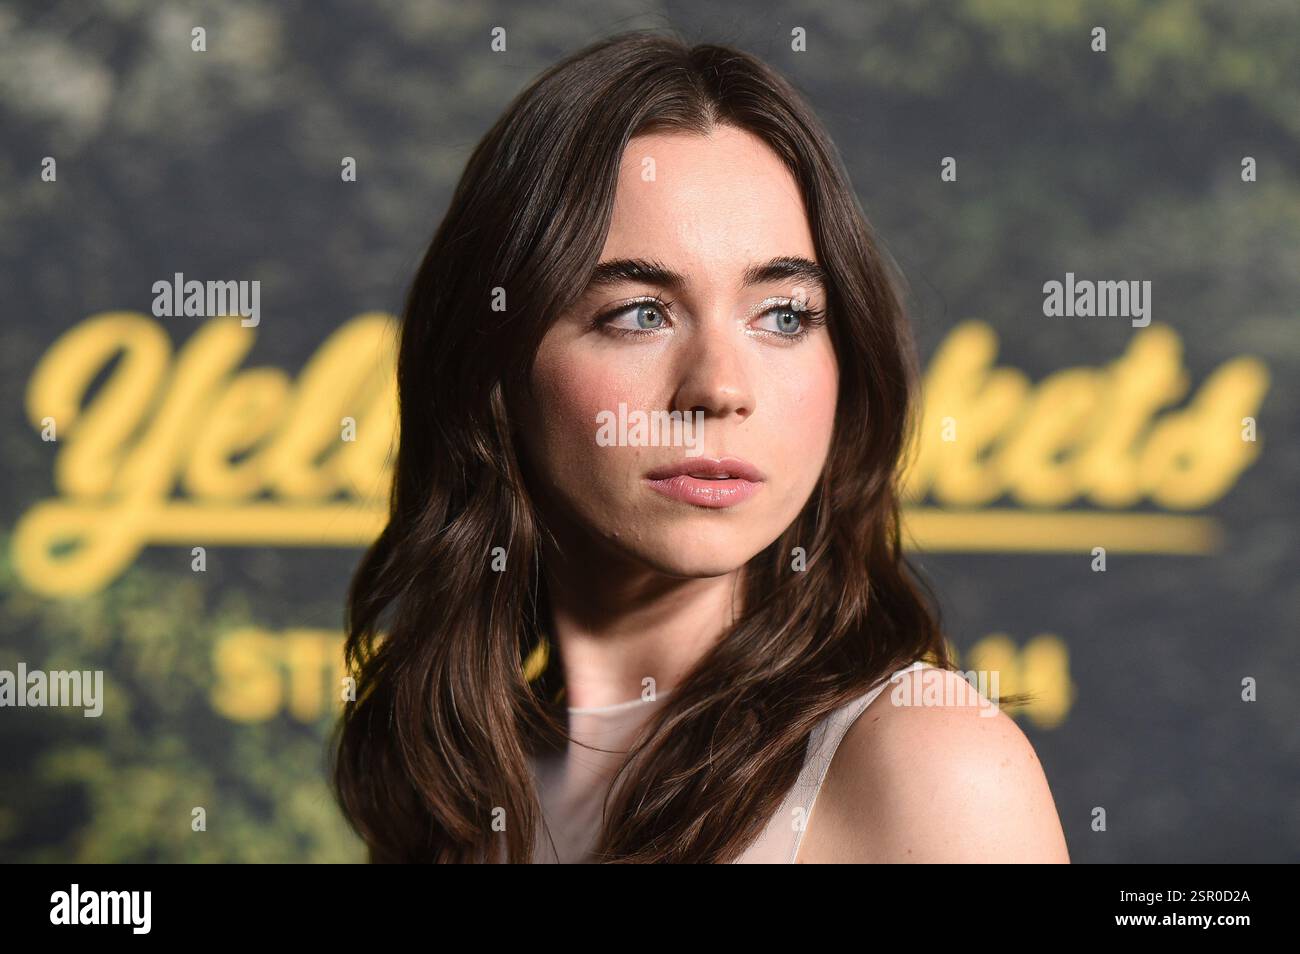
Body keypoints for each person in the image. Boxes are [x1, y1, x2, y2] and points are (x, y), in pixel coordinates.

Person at [330, 28, 1070, 864]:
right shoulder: (462, 794)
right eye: (640, 313)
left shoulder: (926, 763)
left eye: (784, 315)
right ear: (494, 368)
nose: (720, 387)